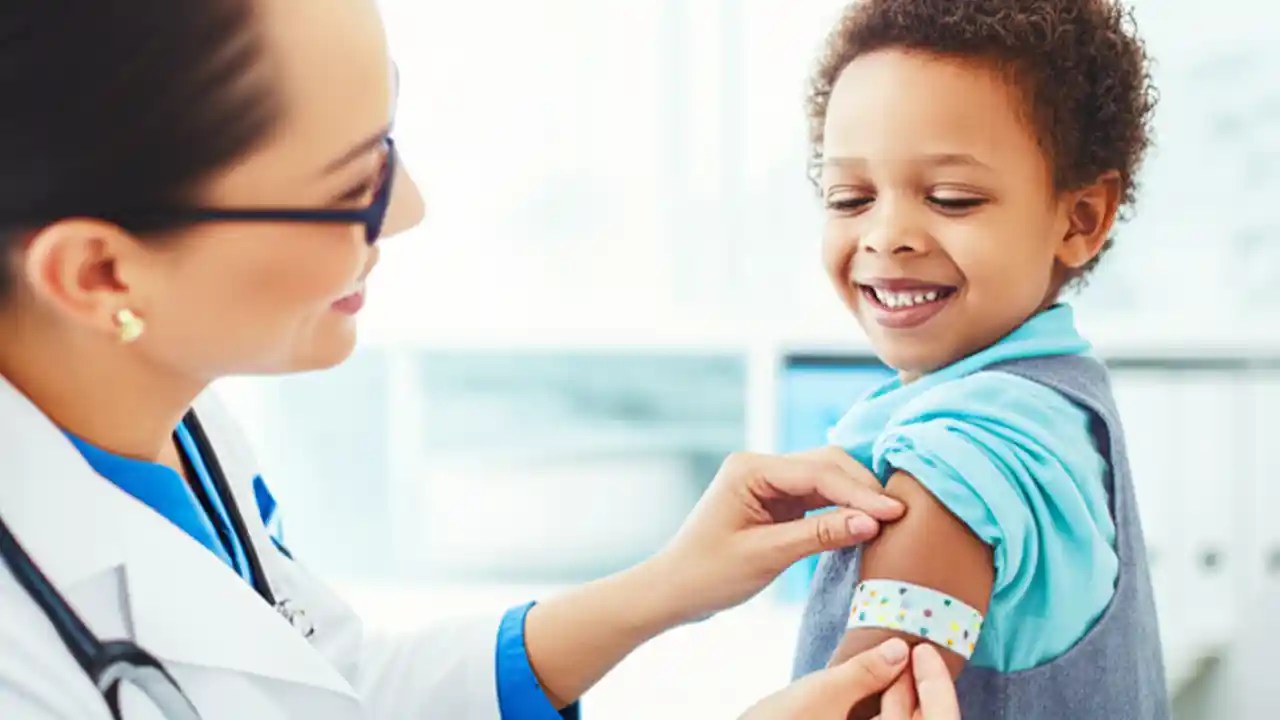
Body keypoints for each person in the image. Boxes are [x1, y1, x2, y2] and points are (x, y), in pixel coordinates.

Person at [0, 1, 931, 718]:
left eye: (388, 145)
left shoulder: (168, 414)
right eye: (350, 187)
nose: (408, 209)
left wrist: (665, 587)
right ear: (99, 272)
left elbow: (338, 690)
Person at [790, 0, 1170, 718]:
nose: (887, 234)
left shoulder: (961, 462)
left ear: (1080, 218)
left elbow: (861, 705)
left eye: (952, 199)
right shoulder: (1060, 398)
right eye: (850, 197)